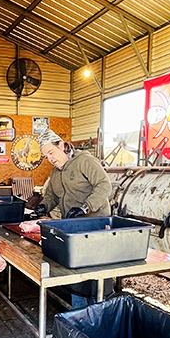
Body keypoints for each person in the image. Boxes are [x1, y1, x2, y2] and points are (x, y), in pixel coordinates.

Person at [35, 129, 112, 306]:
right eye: (46, 156)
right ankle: (79, 315)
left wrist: (85, 207)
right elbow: (52, 196)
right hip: (72, 229)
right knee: (76, 275)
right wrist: (44, 206)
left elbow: (104, 185)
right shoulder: (56, 172)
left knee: (96, 276)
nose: (50, 158)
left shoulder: (85, 161)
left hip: (95, 227)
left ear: (61, 145)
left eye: (51, 152)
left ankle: (100, 312)